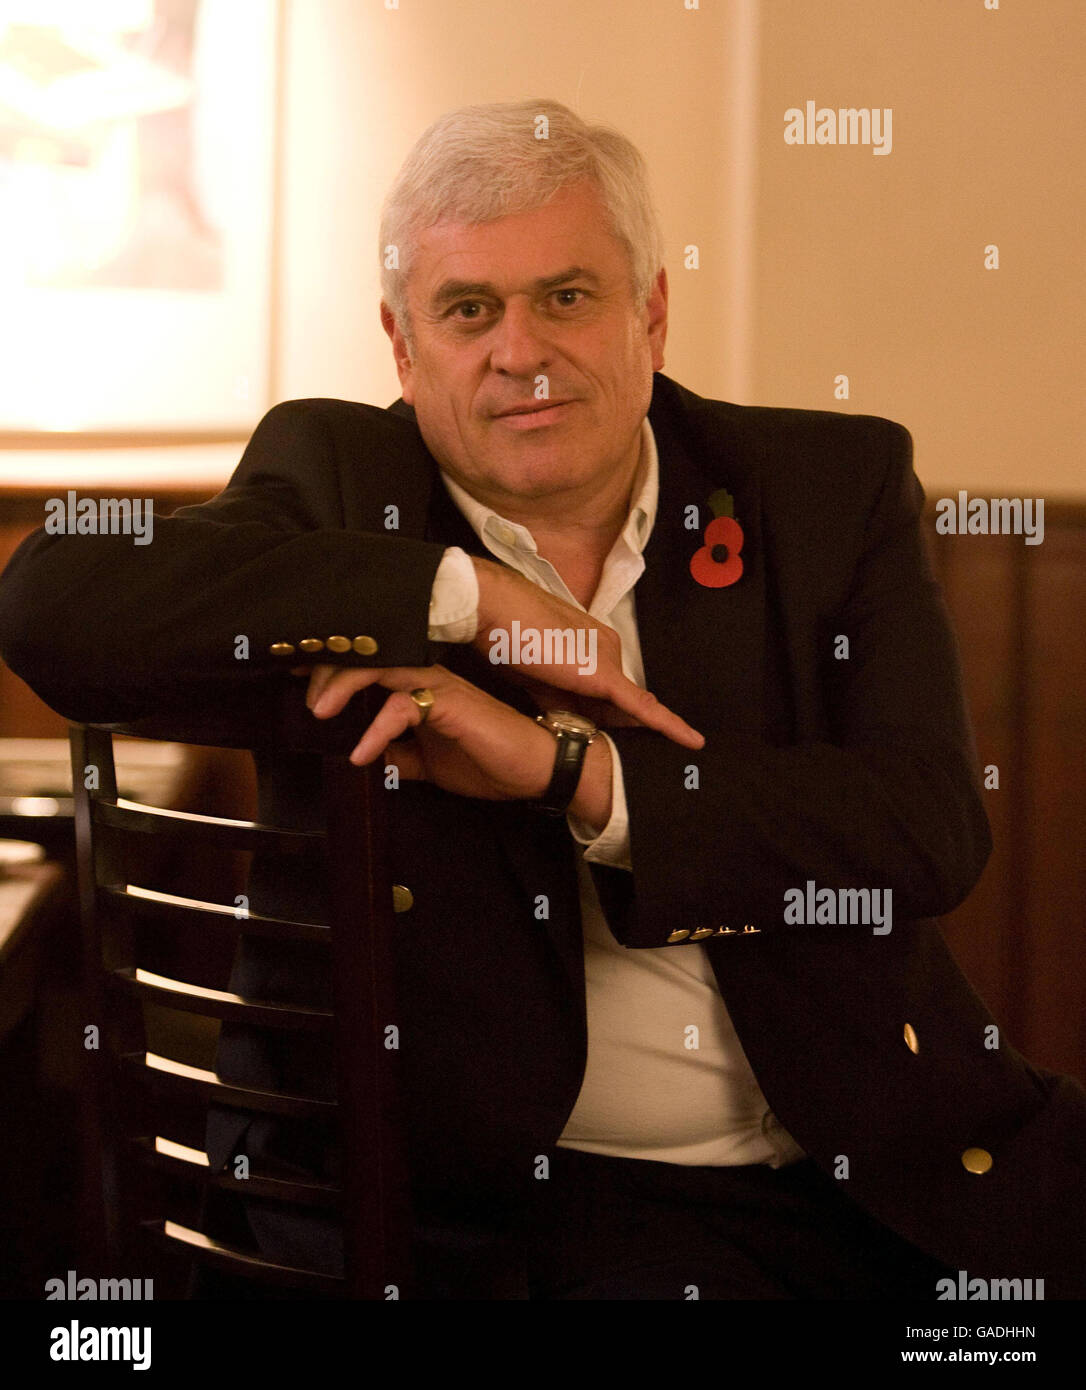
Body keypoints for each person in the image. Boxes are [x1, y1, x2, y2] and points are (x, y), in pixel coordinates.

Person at [1, 99, 1083, 1300]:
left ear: (652, 314)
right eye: (469, 310)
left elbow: (928, 827)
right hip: (508, 1213)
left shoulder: (824, 489)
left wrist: (573, 775)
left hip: (878, 1167)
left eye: (567, 296)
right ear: (404, 351)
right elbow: (54, 605)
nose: (521, 350)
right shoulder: (342, 485)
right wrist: (467, 598)